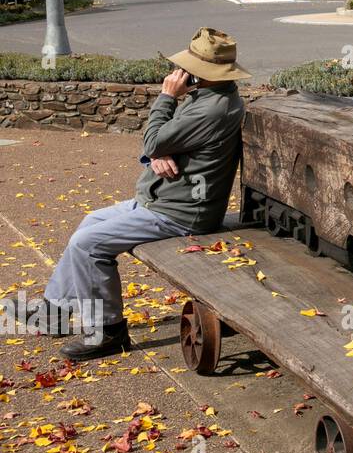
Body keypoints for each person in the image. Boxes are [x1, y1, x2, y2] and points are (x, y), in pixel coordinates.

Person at [12, 28, 249, 360]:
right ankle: (53, 312)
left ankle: (108, 332)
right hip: (160, 200)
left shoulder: (211, 108)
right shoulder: (204, 98)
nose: (180, 73)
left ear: (204, 73)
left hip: (180, 214)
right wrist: (158, 154)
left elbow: (154, 139)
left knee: (88, 244)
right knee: (89, 221)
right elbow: (160, 144)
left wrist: (166, 100)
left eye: (190, 67)